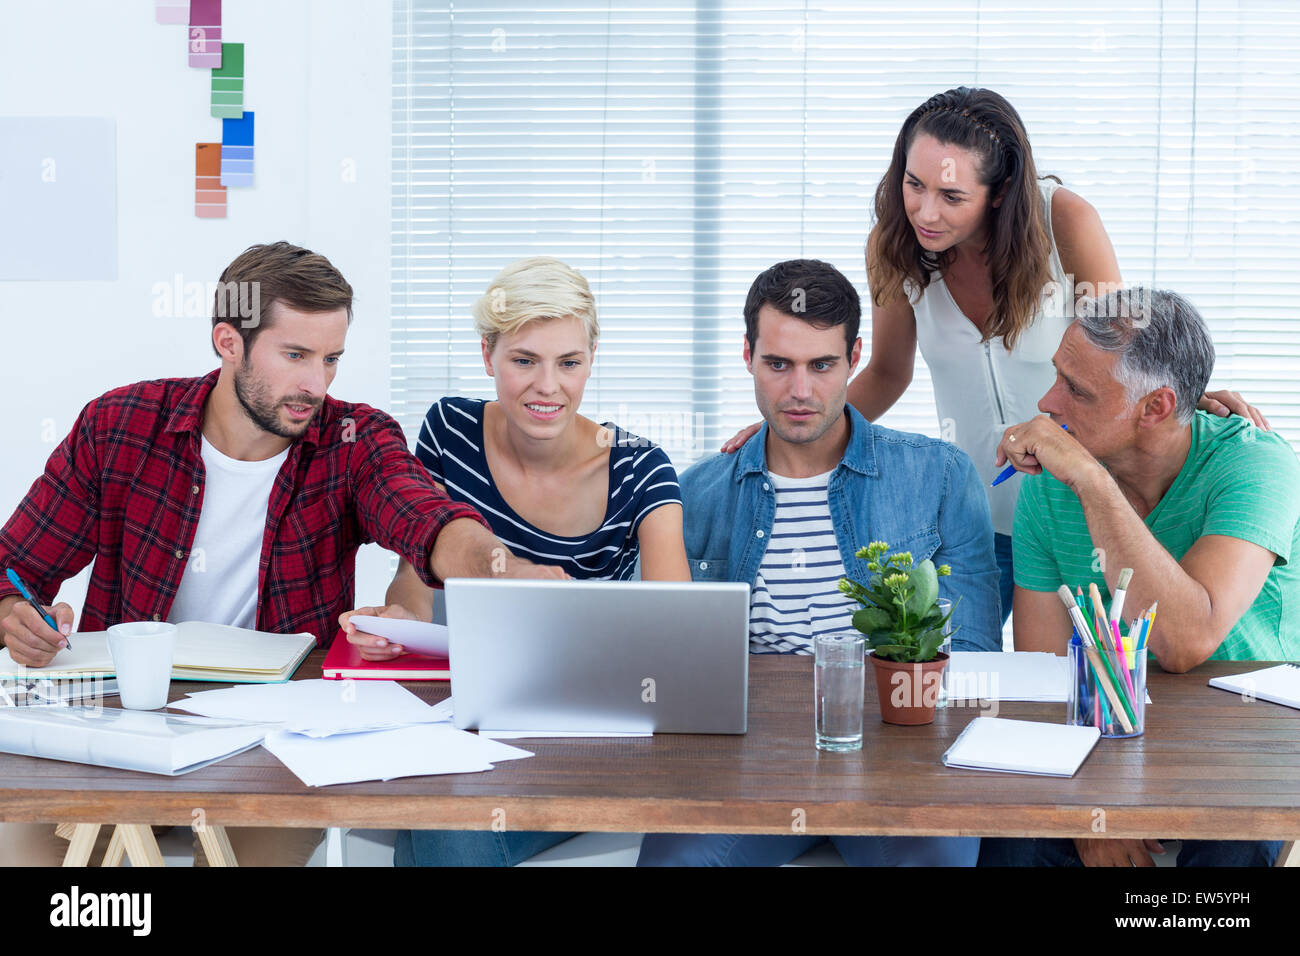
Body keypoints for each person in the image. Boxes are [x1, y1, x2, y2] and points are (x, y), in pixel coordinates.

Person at [0, 241, 559, 868]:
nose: (315, 384)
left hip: (273, 750)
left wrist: (506, 568)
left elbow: (427, 521)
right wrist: (13, 615)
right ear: (228, 342)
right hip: (124, 736)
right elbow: (13, 567)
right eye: (295, 355)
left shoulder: (355, 438)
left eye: (331, 359)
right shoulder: (120, 426)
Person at [722, 87, 1266, 626]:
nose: (925, 212)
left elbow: (1123, 356)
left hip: (1066, 514)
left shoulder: (1065, 223)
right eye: (914, 184)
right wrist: (795, 418)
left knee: (1088, 680)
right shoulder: (893, 245)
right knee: (953, 676)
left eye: (952, 196)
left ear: (1001, 191)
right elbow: (888, 373)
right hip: (968, 516)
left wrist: (1185, 398)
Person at [636, 258, 1001, 867]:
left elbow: (977, 648)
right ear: (748, 355)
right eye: (778, 364)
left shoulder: (939, 475)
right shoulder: (692, 493)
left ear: (855, 356)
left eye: (821, 365)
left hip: (897, 763)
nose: (800, 391)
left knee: (939, 857)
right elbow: (652, 656)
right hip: (748, 766)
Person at [341, 256, 690, 866]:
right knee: (435, 820)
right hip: (468, 716)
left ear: (591, 359)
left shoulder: (639, 467)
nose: (547, 386)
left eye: (569, 363)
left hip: (589, 732)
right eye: (524, 360)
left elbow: (680, 636)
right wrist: (399, 620)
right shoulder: (450, 429)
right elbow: (417, 572)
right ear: (488, 357)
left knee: (443, 833)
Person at [980, 287, 1297, 868]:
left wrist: (1087, 478)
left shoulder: (1258, 463)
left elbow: (1184, 641)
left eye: (1077, 390)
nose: (1048, 403)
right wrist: (1090, 809)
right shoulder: (1047, 488)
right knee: (1015, 841)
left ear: (1154, 408)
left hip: (1244, 746)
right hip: (1106, 740)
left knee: (1235, 847)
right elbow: (1051, 677)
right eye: (1057, 376)